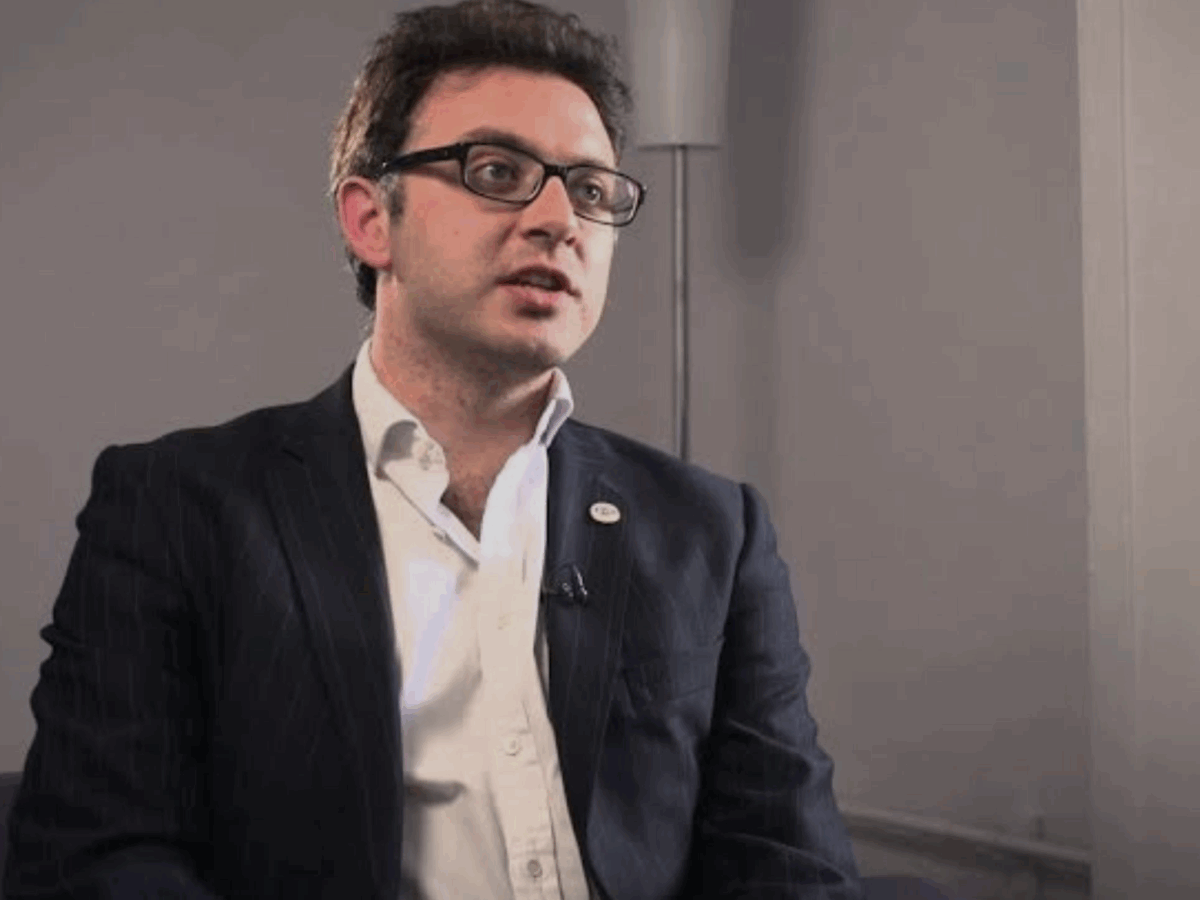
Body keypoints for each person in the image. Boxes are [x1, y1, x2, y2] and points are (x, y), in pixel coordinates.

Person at [3, 1, 864, 898]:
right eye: (497, 171)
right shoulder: (177, 508)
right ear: (371, 220)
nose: (560, 219)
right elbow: (97, 861)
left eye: (591, 190)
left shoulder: (712, 532)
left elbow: (790, 861)